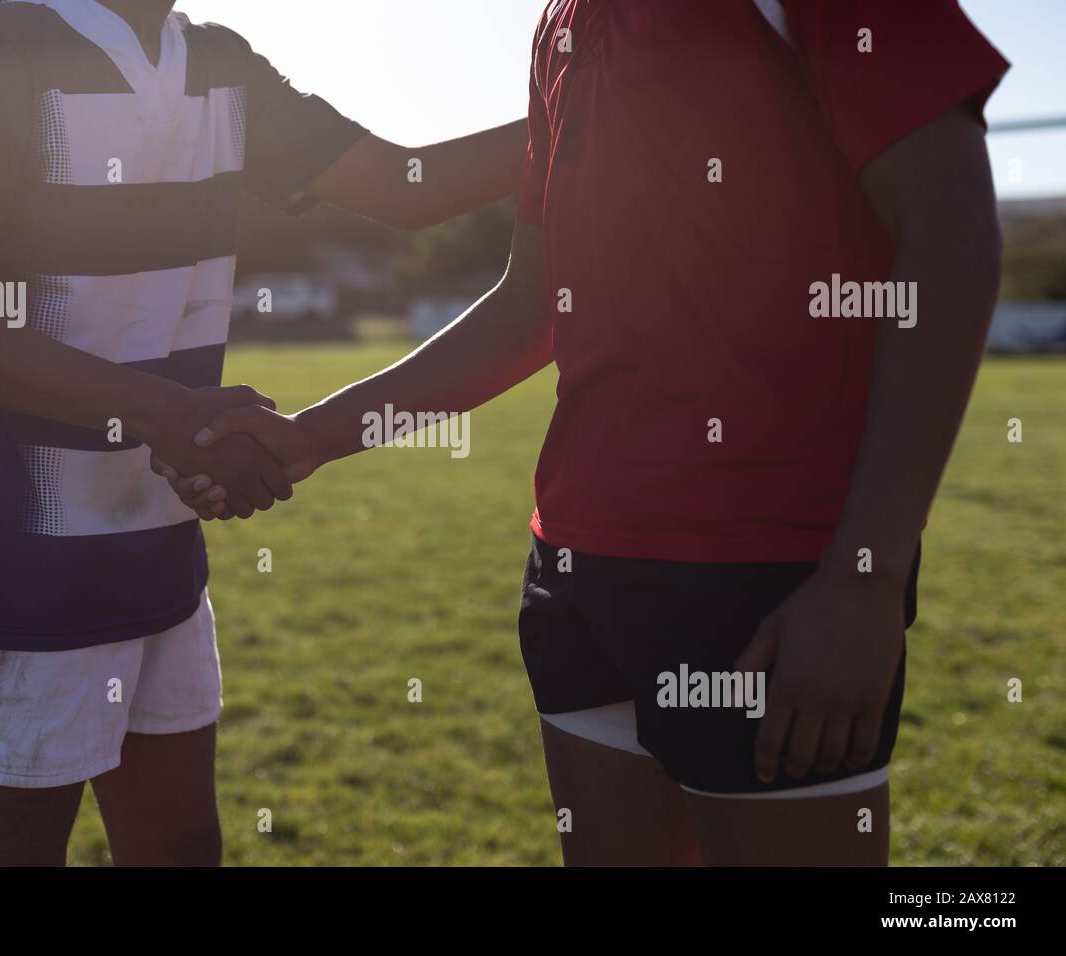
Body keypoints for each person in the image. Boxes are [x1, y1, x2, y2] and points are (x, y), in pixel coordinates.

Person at [163, 0, 1009, 865]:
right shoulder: (563, 21)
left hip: (767, 585)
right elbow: (533, 304)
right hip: (575, 576)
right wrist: (312, 438)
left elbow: (953, 245)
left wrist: (864, 585)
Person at [0, 0, 525, 866]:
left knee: (180, 850)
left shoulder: (220, 63)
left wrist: (588, 102)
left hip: (157, 547)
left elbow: (410, 186)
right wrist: (162, 411)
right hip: (9, 567)